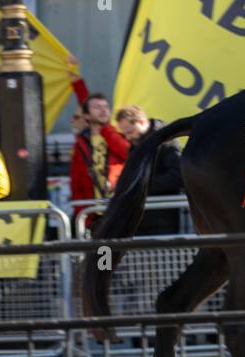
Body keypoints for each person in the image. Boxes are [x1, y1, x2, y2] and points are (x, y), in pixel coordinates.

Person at [115, 105, 184, 234]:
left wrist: (142, 185)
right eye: (124, 134)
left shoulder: (166, 141)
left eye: (130, 132)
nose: (128, 137)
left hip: (162, 219)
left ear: (141, 122)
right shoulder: (136, 143)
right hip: (142, 219)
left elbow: (178, 176)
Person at [67, 67, 130, 206]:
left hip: (118, 207)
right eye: (97, 107)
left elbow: (126, 152)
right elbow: (76, 182)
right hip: (92, 212)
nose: (103, 110)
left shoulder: (117, 135)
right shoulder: (81, 143)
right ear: (87, 116)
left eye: (106, 107)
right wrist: (81, 214)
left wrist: (106, 129)